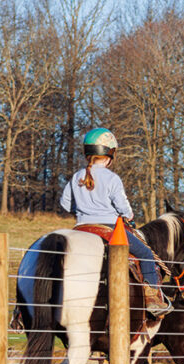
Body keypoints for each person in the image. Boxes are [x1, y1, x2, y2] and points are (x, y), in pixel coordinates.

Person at [60, 127, 171, 316]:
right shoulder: (111, 178)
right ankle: (153, 297)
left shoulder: (76, 177)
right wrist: (128, 215)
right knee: (145, 253)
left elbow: (65, 204)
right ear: (110, 152)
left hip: (81, 228)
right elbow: (124, 209)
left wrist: (82, 210)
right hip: (109, 229)